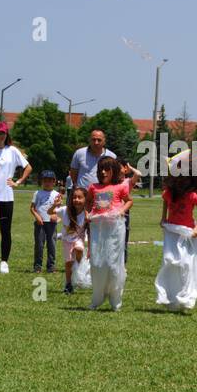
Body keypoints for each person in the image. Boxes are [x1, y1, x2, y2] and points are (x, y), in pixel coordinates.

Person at [0, 121, 32, 275]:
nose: (1, 136)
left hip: (6, 195)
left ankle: (4, 261)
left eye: (3, 133)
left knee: (5, 230)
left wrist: (18, 181)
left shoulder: (13, 151)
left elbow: (28, 167)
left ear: (7, 134)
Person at [155, 171, 197, 312]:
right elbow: (165, 202)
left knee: (185, 264)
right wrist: (163, 218)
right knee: (169, 260)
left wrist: (196, 228)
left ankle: (185, 296)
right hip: (172, 231)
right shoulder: (169, 193)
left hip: (186, 234)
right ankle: (169, 296)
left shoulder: (192, 195)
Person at [86, 155, 133, 310]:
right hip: (97, 228)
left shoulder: (121, 187)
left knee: (113, 263)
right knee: (97, 262)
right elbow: (88, 203)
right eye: (101, 170)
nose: (104, 172)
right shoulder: (93, 187)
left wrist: (121, 211)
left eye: (107, 169)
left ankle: (115, 299)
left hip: (114, 229)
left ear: (113, 171)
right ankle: (97, 297)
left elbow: (129, 201)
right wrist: (87, 214)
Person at [31, 170, 61, 274]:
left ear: (54, 181)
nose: (47, 183)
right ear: (41, 182)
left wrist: (55, 215)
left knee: (51, 244)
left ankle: (51, 266)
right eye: (45, 180)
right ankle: (37, 266)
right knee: (39, 245)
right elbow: (32, 208)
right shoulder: (37, 193)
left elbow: (59, 210)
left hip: (51, 224)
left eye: (50, 180)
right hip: (40, 223)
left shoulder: (56, 194)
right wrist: (37, 217)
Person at [70, 129, 116, 197]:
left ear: (104, 141)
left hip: (103, 194)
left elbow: (114, 176)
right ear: (89, 140)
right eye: (93, 139)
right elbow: (73, 173)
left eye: (99, 140)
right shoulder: (79, 153)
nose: (96, 142)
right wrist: (77, 187)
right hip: (82, 195)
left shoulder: (112, 156)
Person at [61, 186, 89, 295]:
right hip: (67, 240)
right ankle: (68, 284)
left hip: (78, 239)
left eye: (79, 197)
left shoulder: (87, 213)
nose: (76, 200)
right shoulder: (66, 210)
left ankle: (79, 264)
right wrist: (55, 205)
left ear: (85, 199)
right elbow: (51, 213)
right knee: (68, 263)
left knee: (79, 248)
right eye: (74, 197)